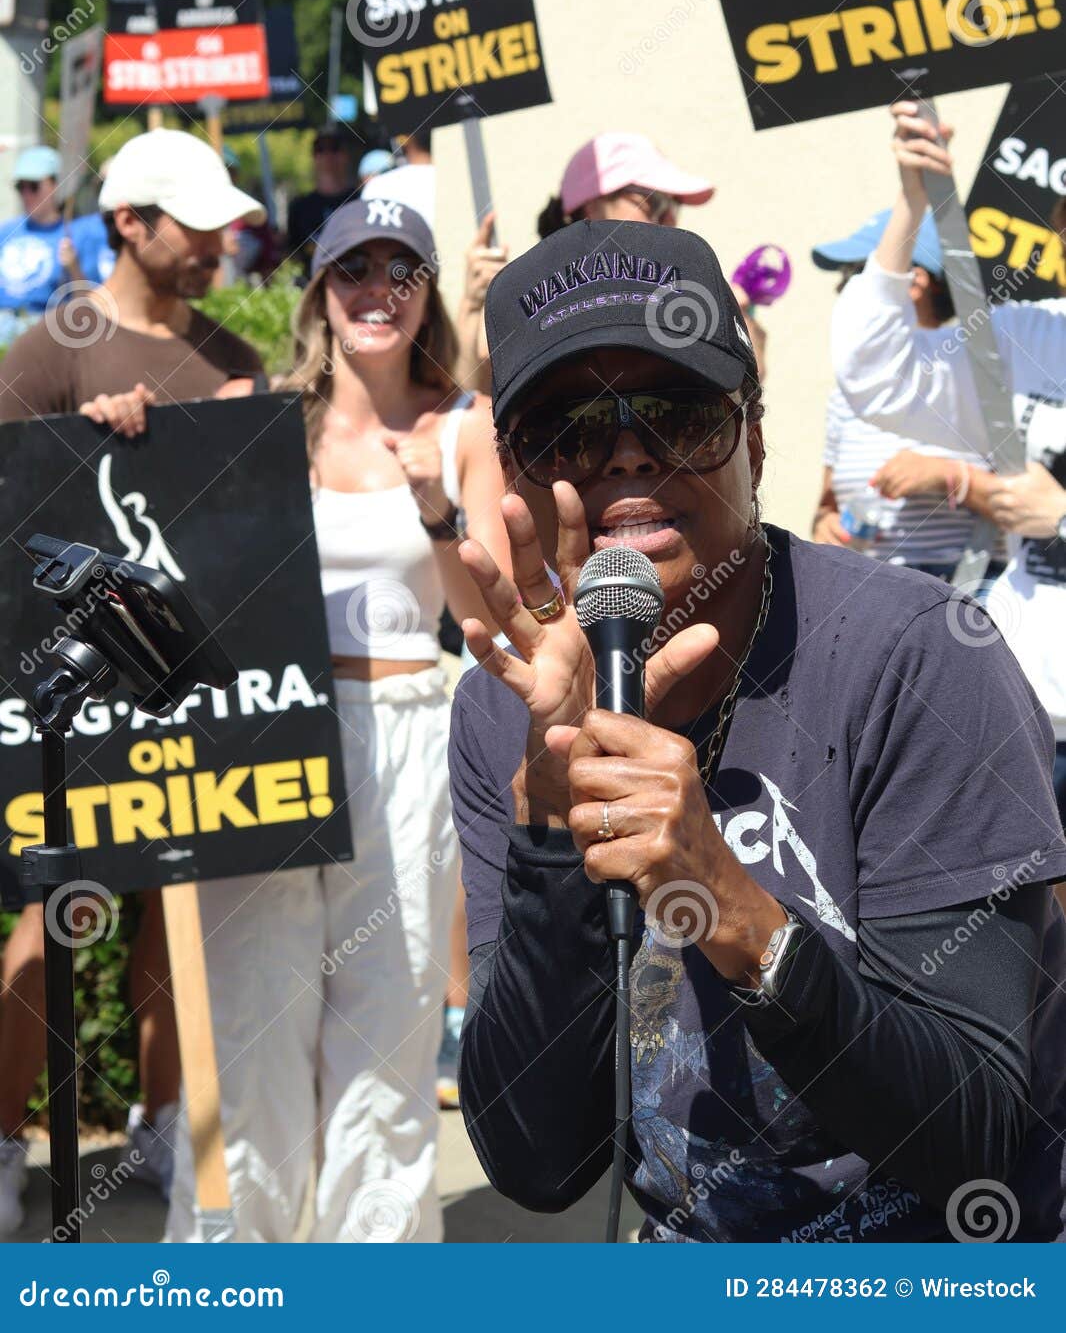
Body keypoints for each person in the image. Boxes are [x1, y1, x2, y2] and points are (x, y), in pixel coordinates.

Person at [449, 217, 1066, 1242]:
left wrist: (733, 912)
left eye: (678, 414)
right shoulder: (500, 708)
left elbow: (977, 1134)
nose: (627, 456)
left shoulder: (918, 657)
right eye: (569, 431)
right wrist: (551, 847)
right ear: (517, 472)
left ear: (758, 435)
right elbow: (537, 1159)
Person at [165, 197, 509, 1243]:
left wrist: (436, 511)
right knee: (245, 1031)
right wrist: (137, 425)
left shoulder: (466, 427)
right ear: (321, 288)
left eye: (401, 270)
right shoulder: (258, 411)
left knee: (387, 1028)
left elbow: (486, 619)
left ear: (427, 294)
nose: (377, 291)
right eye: (355, 268)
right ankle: (224, 1277)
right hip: (266, 733)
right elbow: (174, 553)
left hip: (402, 722)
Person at [0, 128, 266, 1237]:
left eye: (221, 226)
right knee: (55, 912)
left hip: (188, 684)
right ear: (129, 225)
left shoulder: (218, 348)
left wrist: (252, 421)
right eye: (194, 226)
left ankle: (164, 1126)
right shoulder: (54, 342)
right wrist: (82, 438)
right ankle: (9, 1142)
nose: (217, 244)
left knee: (180, 907)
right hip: (69, 692)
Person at [832, 103, 1066, 821]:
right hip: (1037, 721)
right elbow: (876, 374)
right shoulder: (1031, 334)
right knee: (1030, 931)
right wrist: (911, 205)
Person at [455, 131, 766, 390]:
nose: (669, 218)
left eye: (673, 205)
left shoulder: (674, 290)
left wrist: (738, 327)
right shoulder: (536, 296)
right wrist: (472, 306)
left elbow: (738, 396)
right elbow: (475, 395)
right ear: (592, 207)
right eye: (654, 201)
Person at [811, 208, 1006, 580]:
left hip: (962, 596)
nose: (842, 292)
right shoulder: (846, 396)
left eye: (853, 277)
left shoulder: (980, 381)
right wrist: (826, 526)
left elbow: (1037, 515)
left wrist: (950, 476)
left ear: (912, 281)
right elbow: (826, 507)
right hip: (868, 591)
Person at [0, 146, 111, 341]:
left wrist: (74, 267)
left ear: (57, 185)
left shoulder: (81, 233)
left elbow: (91, 307)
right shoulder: (7, 231)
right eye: (20, 187)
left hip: (49, 332)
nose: (26, 194)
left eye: (33, 186)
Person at [285, 126, 356, 275]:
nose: (327, 155)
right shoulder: (300, 207)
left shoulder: (360, 200)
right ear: (314, 157)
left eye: (334, 148)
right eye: (320, 149)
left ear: (346, 155)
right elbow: (293, 254)